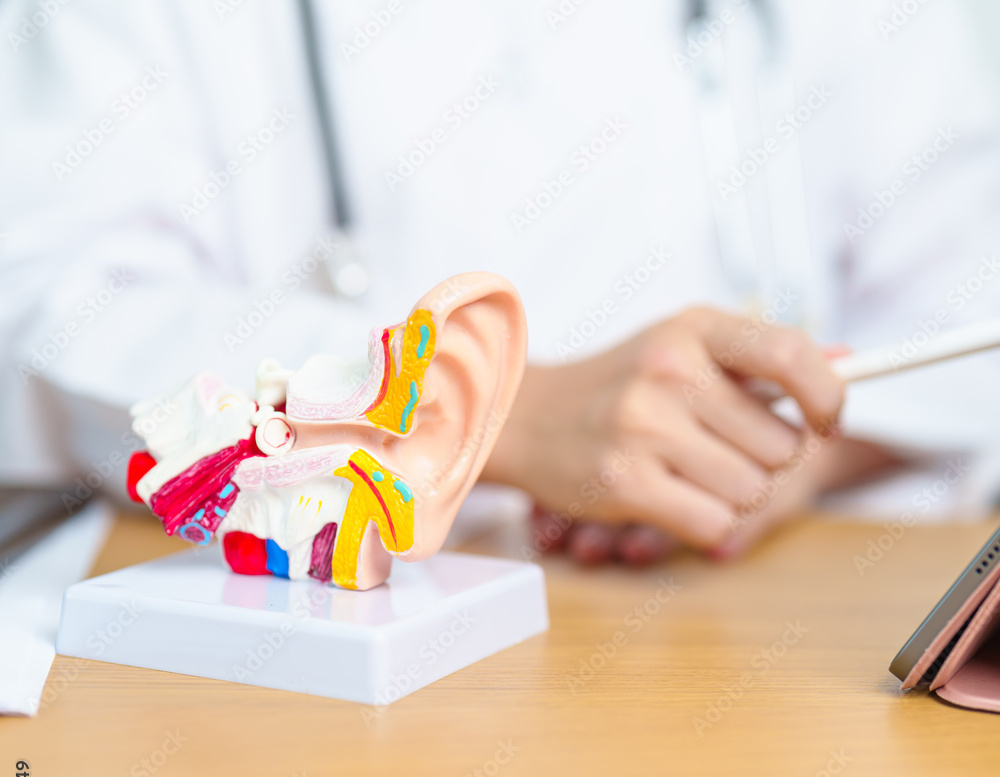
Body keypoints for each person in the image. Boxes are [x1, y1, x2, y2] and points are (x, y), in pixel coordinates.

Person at [1, 0, 999, 566]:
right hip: (327, 663)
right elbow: (49, 308)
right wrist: (493, 417)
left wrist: (765, 454)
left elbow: (968, 285)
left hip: (737, 631)